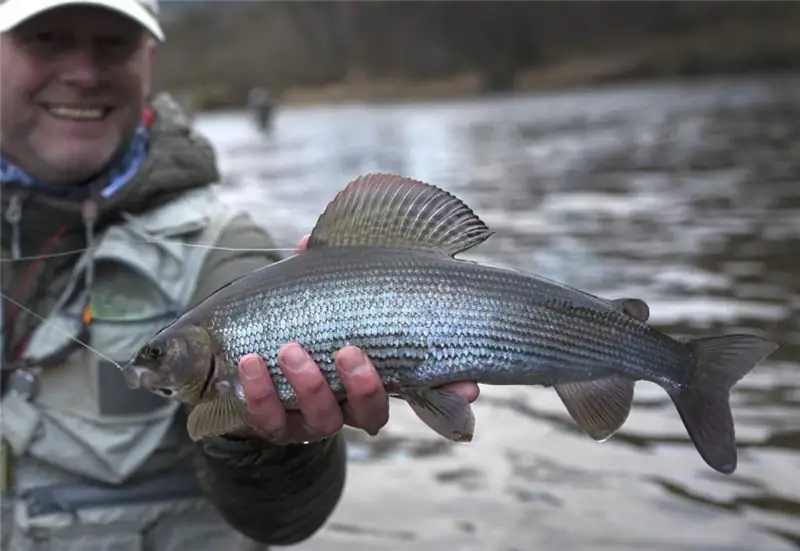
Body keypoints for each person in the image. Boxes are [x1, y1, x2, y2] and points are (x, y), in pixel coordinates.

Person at [0, 1, 480, 549]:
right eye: (47, 38)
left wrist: (268, 445)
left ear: (148, 58)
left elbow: (285, 522)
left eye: (113, 43)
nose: (82, 73)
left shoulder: (229, 254)